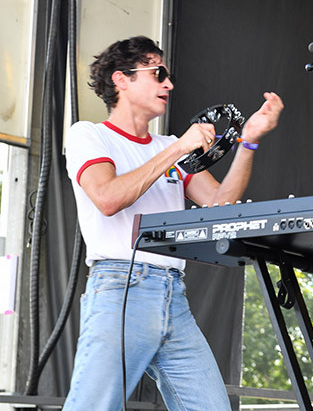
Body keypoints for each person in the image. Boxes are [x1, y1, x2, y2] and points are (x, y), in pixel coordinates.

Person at [62, 35, 284, 411]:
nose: (169, 83)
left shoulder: (165, 145)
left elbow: (218, 203)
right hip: (121, 288)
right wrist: (179, 148)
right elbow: (108, 198)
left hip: (173, 296)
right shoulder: (90, 135)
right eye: (158, 73)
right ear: (122, 79)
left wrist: (248, 143)